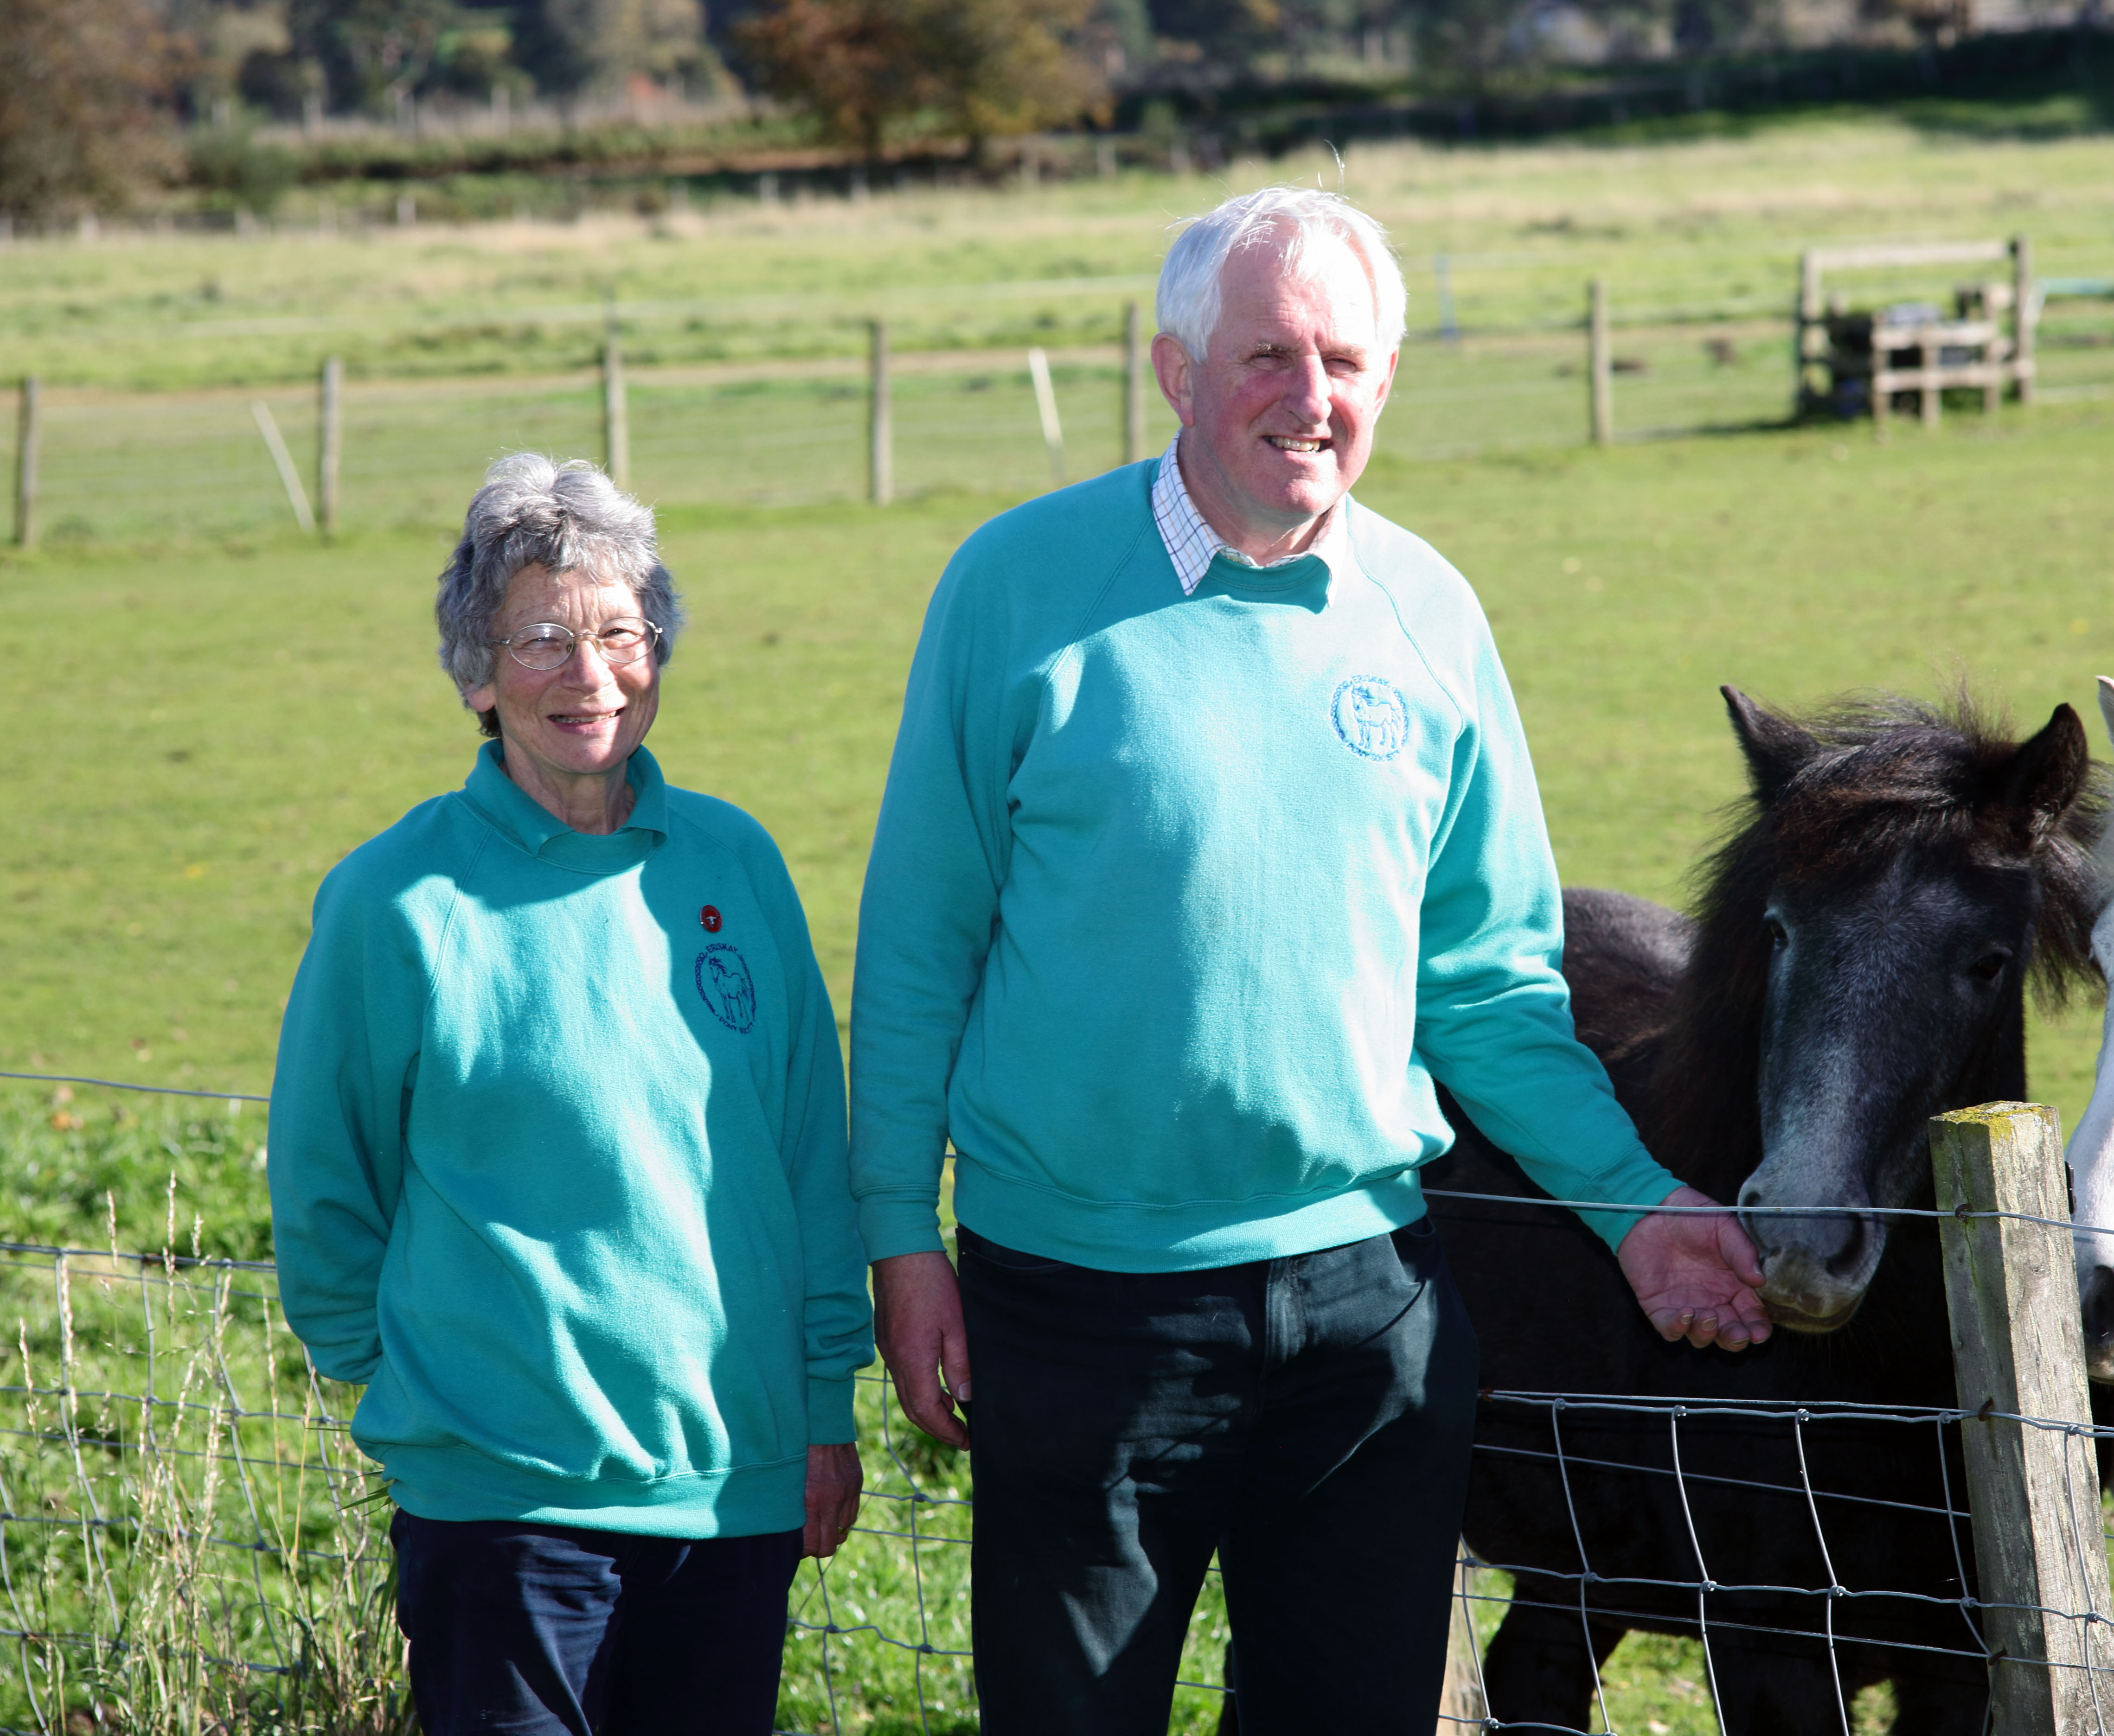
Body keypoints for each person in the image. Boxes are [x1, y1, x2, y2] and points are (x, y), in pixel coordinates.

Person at [849, 186, 1774, 1732]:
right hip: (1082, 1308)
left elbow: (1486, 984)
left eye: (1344, 359)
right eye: (1267, 354)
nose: (1311, 396)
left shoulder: (1428, 614)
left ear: (1389, 382)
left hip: (1367, 1312)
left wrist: (1639, 1210)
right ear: (1175, 370)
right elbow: (920, 946)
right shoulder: (1017, 589)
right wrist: (900, 1236)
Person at [267, 454, 872, 1736]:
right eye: (540, 637)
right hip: (504, 1507)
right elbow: (326, 1191)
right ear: (477, 676)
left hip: (735, 1490)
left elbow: (813, 1158)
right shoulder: (396, 903)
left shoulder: (737, 862)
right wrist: (425, 1405)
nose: (588, 674)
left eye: (618, 631)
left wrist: (822, 1406)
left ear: (659, 653)